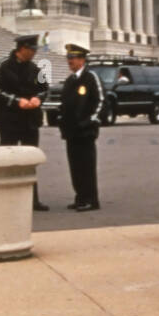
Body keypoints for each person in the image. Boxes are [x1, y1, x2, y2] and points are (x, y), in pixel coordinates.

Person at [0, 33, 50, 210]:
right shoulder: (3, 65)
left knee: (30, 160)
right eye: (31, 50)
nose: (34, 53)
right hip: (9, 120)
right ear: (22, 49)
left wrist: (38, 99)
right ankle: (7, 197)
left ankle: (32, 199)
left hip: (30, 119)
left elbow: (45, 88)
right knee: (8, 158)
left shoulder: (35, 68)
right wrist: (17, 101)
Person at [59, 44, 103, 211]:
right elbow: (65, 105)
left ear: (82, 59)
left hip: (85, 131)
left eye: (73, 58)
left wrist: (90, 122)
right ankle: (80, 197)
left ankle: (91, 199)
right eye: (68, 58)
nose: (70, 61)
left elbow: (100, 102)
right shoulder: (70, 80)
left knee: (87, 166)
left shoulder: (90, 77)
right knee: (75, 166)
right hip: (71, 132)